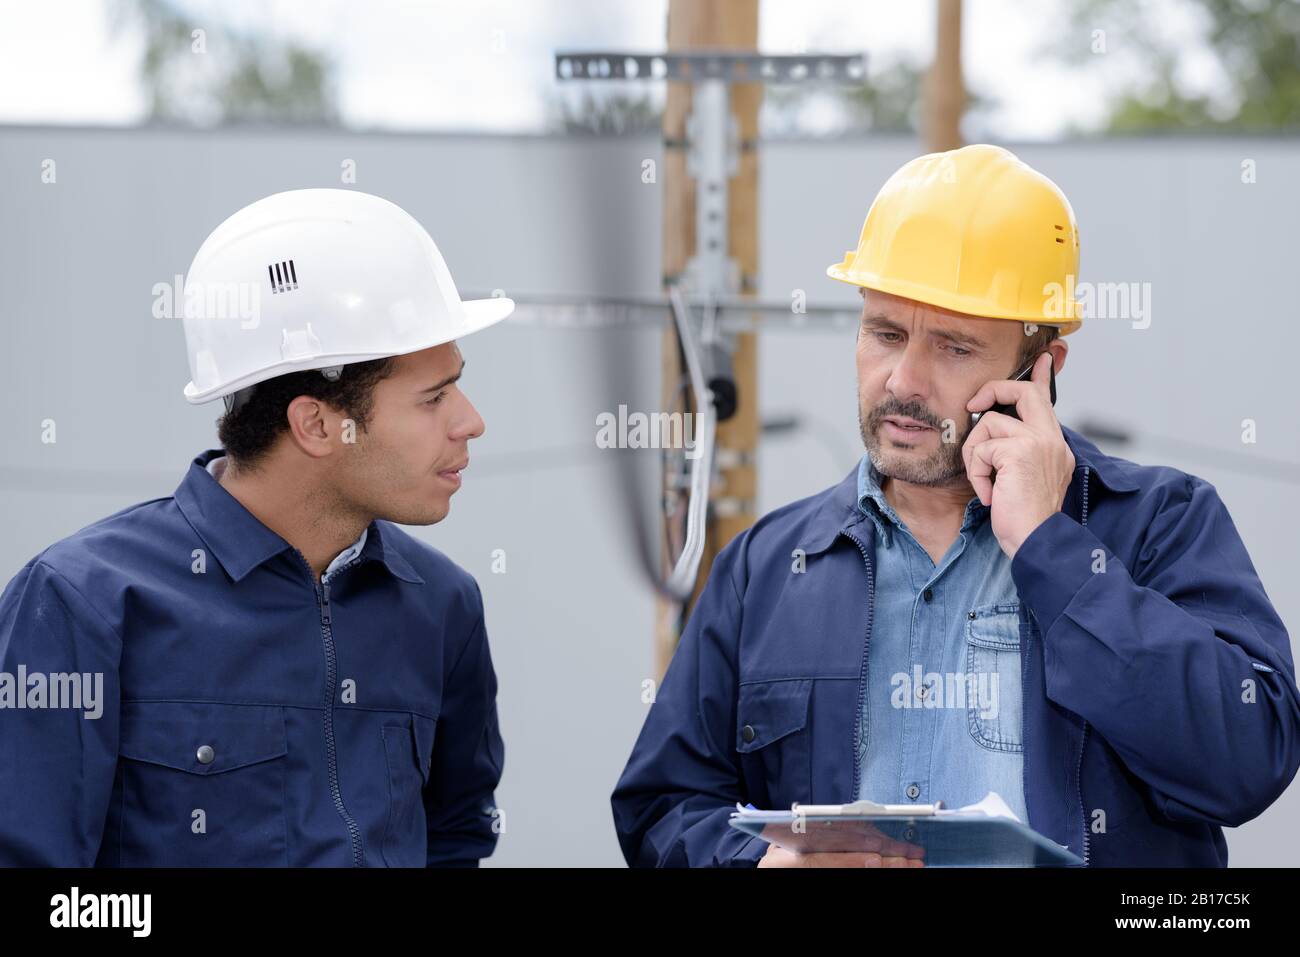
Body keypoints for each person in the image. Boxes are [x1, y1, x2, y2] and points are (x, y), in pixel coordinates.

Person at [611, 144, 1300, 867]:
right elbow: (662, 806)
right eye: (885, 333)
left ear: (1041, 369)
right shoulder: (767, 567)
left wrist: (1049, 550)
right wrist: (759, 864)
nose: (903, 379)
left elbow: (1249, 760)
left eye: (953, 346)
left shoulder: (1159, 523)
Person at [0, 188, 511, 866]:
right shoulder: (81, 604)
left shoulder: (444, 605)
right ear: (317, 424)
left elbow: (457, 839)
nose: (470, 420)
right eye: (434, 397)